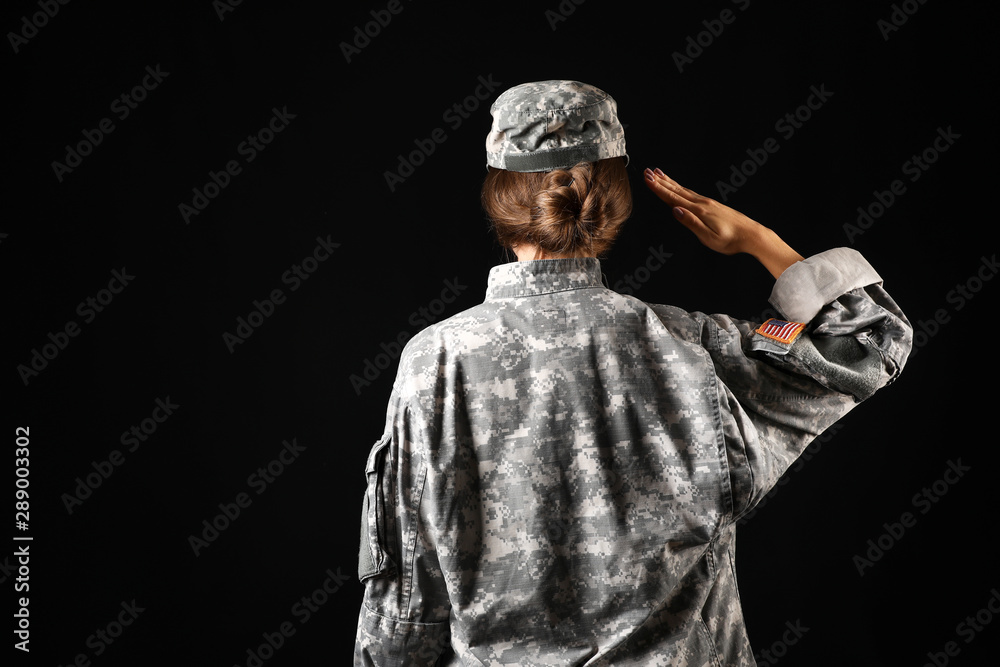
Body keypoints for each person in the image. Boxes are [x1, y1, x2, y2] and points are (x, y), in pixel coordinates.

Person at [354, 80, 912, 666]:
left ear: (500, 199)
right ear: (614, 201)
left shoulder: (433, 362)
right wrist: (760, 242)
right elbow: (873, 342)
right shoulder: (693, 350)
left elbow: (405, 606)